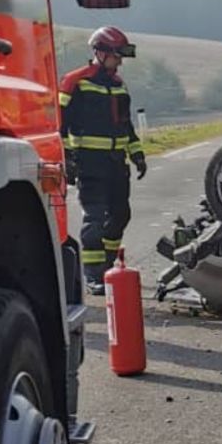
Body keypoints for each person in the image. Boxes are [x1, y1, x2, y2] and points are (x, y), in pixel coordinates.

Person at [59, 26, 147, 294]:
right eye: (116, 55)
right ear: (100, 53)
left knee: (121, 215)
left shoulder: (119, 85)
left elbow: (126, 125)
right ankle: (94, 275)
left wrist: (137, 154)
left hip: (116, 163)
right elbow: (59, 125)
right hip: (90, 163)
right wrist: (67, 159)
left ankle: (108, 265)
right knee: (94, 219)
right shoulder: (76, 82)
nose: (119, 61)